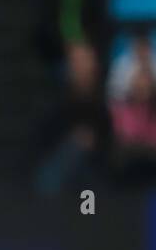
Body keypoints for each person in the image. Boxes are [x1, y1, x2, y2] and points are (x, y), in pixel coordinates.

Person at [34, 41, 111, 193]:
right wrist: (75, 143)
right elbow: (43, 144)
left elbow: (110, 142)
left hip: (97, 167)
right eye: (77, 61)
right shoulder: (54, 102)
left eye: (86, 60)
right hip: (60, 167)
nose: (82, 67)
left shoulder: (105, 102)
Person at [110, 62, 156, 184]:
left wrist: (142, 143)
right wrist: (144, 143)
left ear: (153, 86)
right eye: (138, 83)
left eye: (146, 83)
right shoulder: (124, 108)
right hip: (133, 158)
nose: (142, 87)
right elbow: (125, 137)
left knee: (154, 160)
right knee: (122, 160)